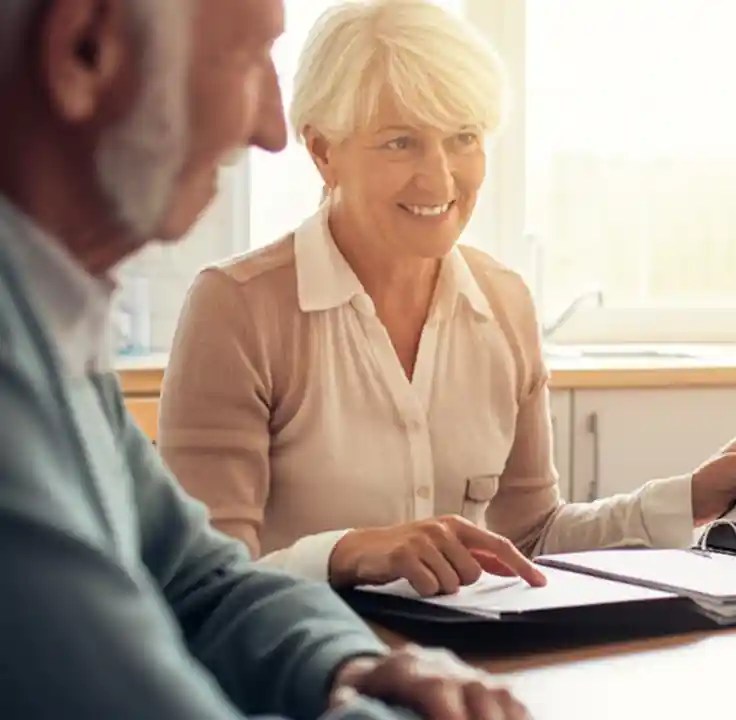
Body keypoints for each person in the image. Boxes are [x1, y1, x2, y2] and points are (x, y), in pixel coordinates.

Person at [159, 0, 736, 597]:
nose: (440, 177)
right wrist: (347, 554)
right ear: (323, 151)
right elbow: (204, 584)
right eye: (401, 141)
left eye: (463, 137)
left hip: (468, 664)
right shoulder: (236, 309)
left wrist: (689, 499)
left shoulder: (506, 303)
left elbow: (532, 537)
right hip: (299, 666)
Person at [0, 0, 528, 718]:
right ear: (84, 51)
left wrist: (348, 666)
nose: (271, 129)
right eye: (243, 61)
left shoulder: (55, 325)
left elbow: (198, 581)